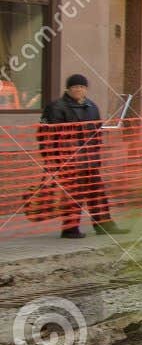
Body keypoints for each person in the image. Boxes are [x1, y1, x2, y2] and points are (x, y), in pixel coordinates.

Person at [40, 74, 125, 239]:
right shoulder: (56, 107)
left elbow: (96, 134)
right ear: (68, 89)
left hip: (90, 160)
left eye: (82, 87)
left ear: (86, 89)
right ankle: (70, 229)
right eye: (75, 87)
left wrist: (96, 155)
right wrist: (51, 160)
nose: (79, 90)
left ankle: (104, 226)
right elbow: (46, 136)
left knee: (98, 193)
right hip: (68, 161)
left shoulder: (91, 106)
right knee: (73, 195)